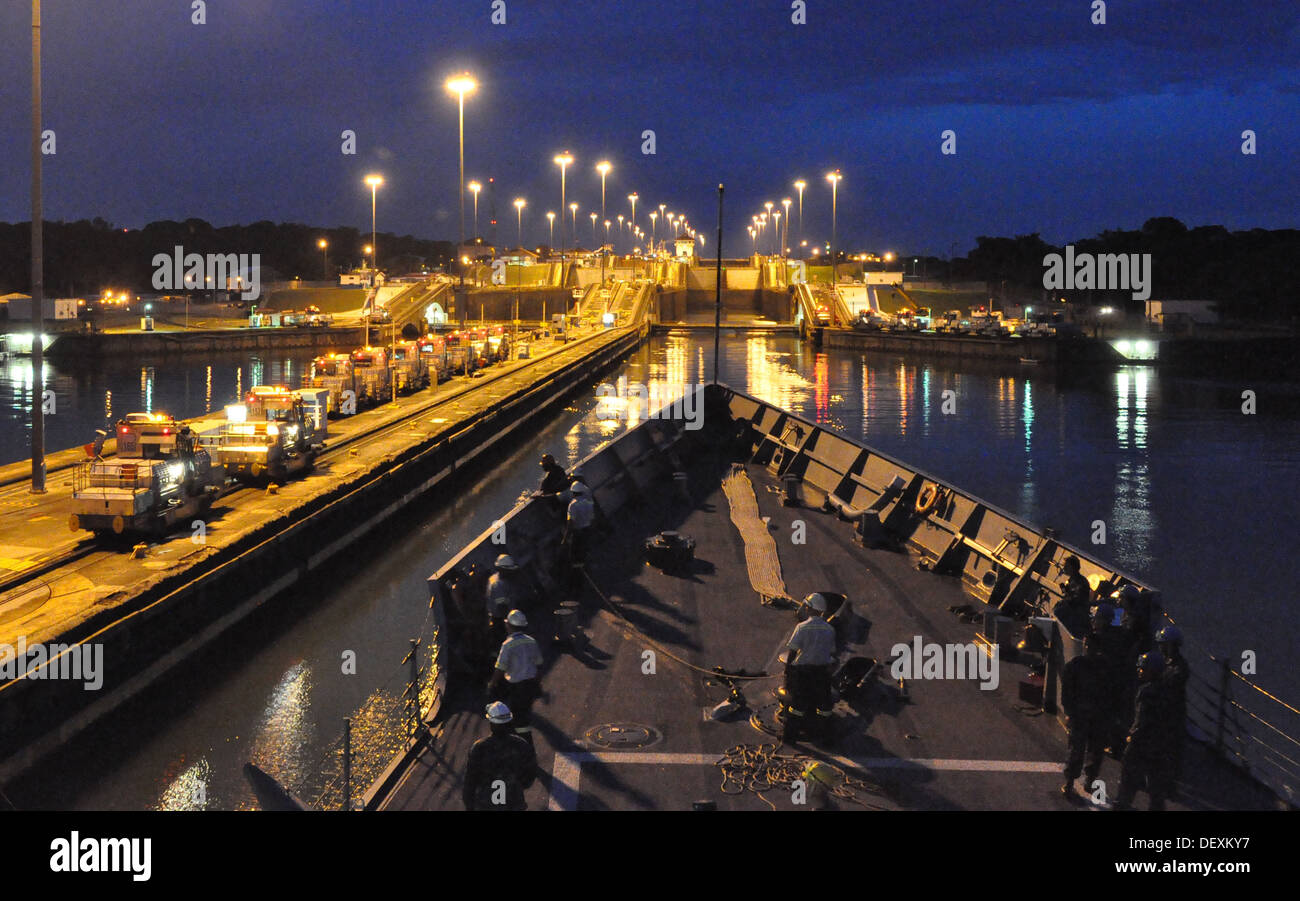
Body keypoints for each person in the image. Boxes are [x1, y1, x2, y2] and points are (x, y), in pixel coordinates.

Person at [1115, 652, 1175, 811]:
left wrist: (1131, 737)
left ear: (1152, 671)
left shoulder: (1146, 691)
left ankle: (1122, 805)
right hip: (1160, 744)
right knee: (1156, 786)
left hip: (1141, 744)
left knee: (1128, 779)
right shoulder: (1167, 690)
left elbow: (1142, 720)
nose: (1139, 671)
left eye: (1143, 669)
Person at [462, 702, 537, 811]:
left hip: (486, 805)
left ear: (491, 723)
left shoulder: (479, 748)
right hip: (514, 803)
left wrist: (469, 805)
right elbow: (530, 775)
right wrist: (516, 785)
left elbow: (470, 782)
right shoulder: (521, 745)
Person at [782, 593, 837, 743]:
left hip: (803, 674)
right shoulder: (830, 630)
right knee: (824, 707)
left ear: (809, 608)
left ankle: (789, 737)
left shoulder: (801, 627)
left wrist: (787, 670)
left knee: (796, 707)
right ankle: (823, 735)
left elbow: (792, 651)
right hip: (821, 674)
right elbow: (831, 653)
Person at [1060, 635, 1109, 801]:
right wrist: (1069, 712)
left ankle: (1089, 780)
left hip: (1097, 716)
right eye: (1088, 645)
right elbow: (1067, 692)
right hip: (1081, 715)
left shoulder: (1101, 667)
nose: (1089, 649)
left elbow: (1112, 692)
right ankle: (1070, 782)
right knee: (1076, 750)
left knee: (1095, 752)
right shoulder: (1076, 666)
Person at [490, 610, 544, 745]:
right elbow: (539, 664)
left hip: (517, 687)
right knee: (523, 714)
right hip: (530, 685)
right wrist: (537, 684)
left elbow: (500, 668)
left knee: (519, 720)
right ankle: (523, 742)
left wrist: (492, 684)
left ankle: (524, 746)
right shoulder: (531, 641)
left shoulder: (508, 645)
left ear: (510, 626)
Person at [1155, 625, 1188, 786]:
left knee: (1170, 748)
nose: (1160, 647)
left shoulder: (1179, 667)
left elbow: (1171, 684)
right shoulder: (1165, 662)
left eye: (1163, 644)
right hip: (1163, 709)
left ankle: (1169, 782)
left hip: (1172, 712)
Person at [563, 481, 596, 570]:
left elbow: (570, 523)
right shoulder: (588, 501)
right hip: (588, 529)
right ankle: (587, 565)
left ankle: (579, 570)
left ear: (573, 492)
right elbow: (592, 517)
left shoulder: (572, 505)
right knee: (585, 549)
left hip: (578, 532)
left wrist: (565, 538)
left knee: (575, 554)